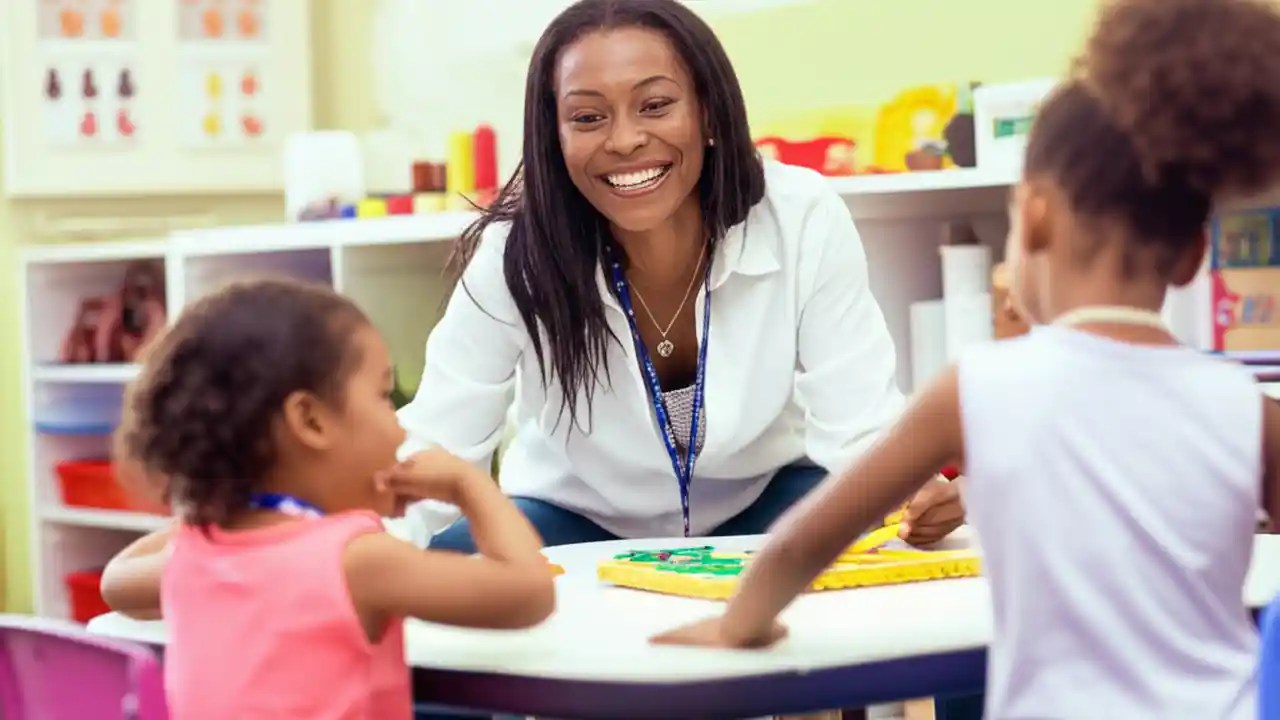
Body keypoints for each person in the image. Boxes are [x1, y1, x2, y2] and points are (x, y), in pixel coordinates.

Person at [652, 0, 1280, 718]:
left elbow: (806, 541)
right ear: (1196, 254)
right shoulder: (1248, 410)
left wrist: (738, 627)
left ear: (1035, 217)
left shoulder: (977, 390)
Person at [392, 0, 963, 556]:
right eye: (587, 117)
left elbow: (858, 420)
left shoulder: (800, 216)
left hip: (766, 499)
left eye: (656, 105)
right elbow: (440, 437)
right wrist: (353, 544)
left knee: (884, 544)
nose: (623, 140)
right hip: (572, 516)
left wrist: (908, 489)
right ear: (555, 137)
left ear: (709, 112)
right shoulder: (515, 253)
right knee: (442, 562)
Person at [98, 279, 556, 720]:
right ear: (310, 421)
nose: (398, 426)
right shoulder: (356, 562)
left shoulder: (196, 554)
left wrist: (224, 502)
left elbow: (115, 582)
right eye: (382, 396)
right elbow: (530, 593)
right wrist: (468, 486)